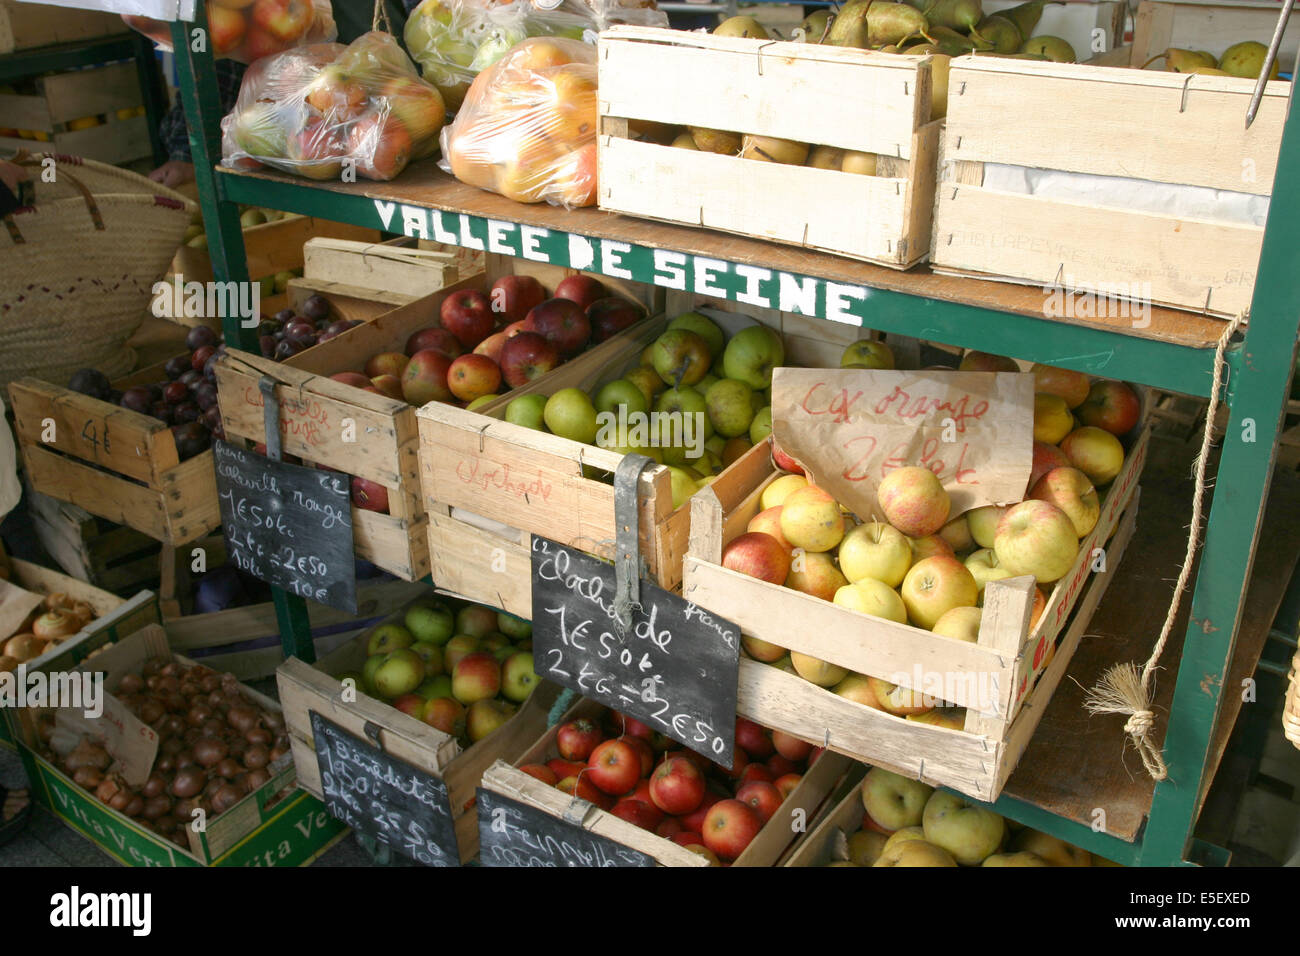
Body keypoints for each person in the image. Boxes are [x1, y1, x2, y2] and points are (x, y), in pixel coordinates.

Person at [146, 0, 413, 189]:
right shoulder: (244, 13)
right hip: (303, 155)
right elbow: (219, 59)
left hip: (400, 132)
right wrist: (186, 153)